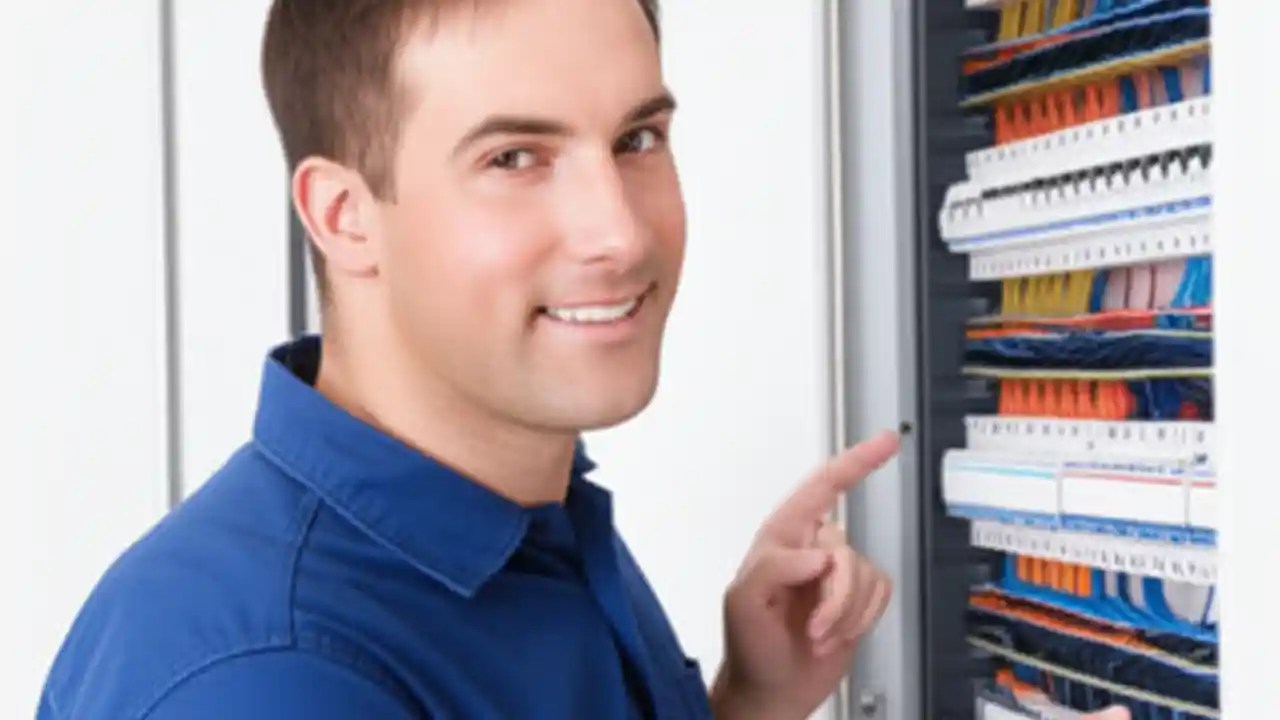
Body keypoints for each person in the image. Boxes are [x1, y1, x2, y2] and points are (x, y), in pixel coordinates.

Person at [37, 1, 1130, 718]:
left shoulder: (517, 510)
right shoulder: (276, 684)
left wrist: (747, 701)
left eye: (636, 139)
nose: (617, 228)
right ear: (344, 214)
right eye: (515, 157)